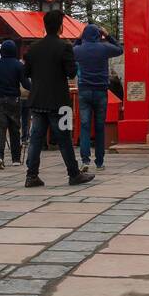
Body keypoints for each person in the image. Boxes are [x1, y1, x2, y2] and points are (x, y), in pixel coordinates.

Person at [23, 9, 94, 188]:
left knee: (36, 139)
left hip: (38, 100)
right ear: (60, 27)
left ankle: (31, 175)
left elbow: (27, 72)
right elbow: (71, 73)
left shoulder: (33, 48)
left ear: (45, 26)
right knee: (64, 139)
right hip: (59, 102)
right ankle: (74, 174)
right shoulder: (65, 47)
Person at [73, 24, 123, 171]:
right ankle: (99, 161)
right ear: (98, 35)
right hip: (101, 91)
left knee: (85, 125)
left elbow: (69, 51)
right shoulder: (104, 48)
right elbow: (120, 49)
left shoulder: (78, 50)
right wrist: (107, 36)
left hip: (84, 91)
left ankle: (85, 160)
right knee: (100, 126)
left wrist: (79, 39)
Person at [0, 39, 29, 169]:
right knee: (14, 128)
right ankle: (16, 158)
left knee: (0, 128)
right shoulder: (18, 65)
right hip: (14, 100)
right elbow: (25, 83)